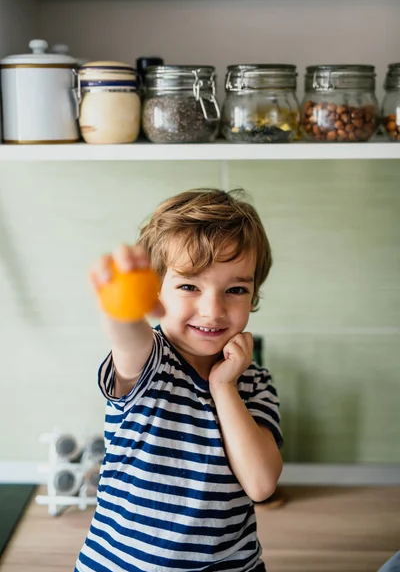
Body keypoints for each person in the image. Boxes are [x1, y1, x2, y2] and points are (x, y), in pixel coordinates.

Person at [75, 188, 283, 572]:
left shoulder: (252, 381)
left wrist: (224, 387)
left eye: (236, 289)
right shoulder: (151, 361)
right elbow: (126, 335)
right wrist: (121, 301)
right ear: (156, 290)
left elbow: (260, 484)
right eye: (189, 286)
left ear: (254, 295)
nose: (213, 309)